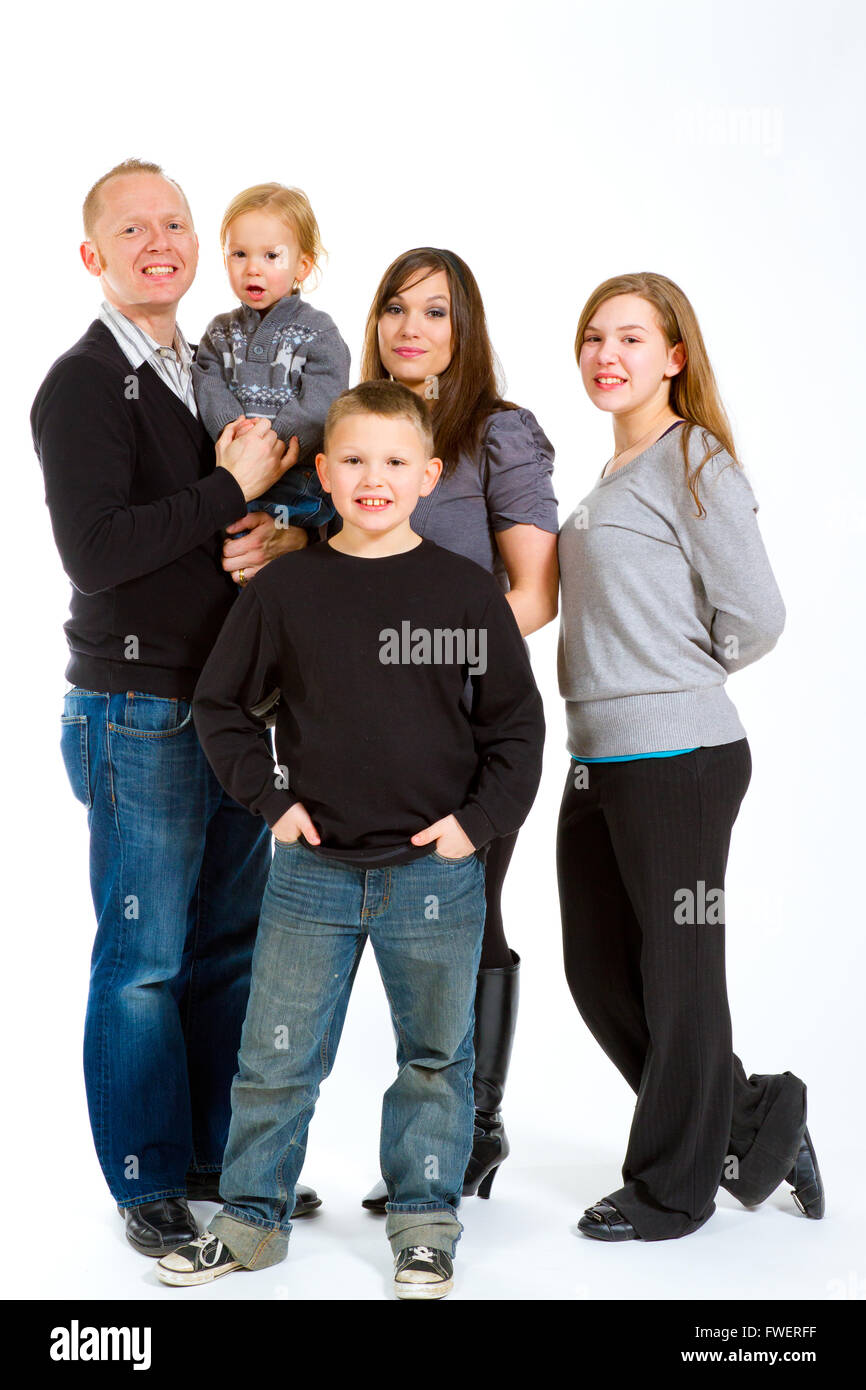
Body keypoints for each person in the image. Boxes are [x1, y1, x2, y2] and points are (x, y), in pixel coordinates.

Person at [156, 381, 546, 1297]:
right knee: (276, 1056)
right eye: (356, 461)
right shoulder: (289, 588)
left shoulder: (464, 594)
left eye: (396, 462)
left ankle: (423, 1222)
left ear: (428, 475)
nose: (375, 478)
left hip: (434, 875)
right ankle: (251, 1222)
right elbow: (222, 707)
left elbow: (517, 732)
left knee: (436, 1059)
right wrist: (271, 803)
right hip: (311, 875)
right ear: (324, 474)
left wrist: (475, 828)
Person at [31, 158, 320, 1259]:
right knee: (145, 957)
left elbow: (223, 530)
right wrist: (228, 491)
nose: (161, 242)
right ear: (93, 256)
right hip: (136, 708)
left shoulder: (204, 373)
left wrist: (267, 531)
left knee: (228, 945)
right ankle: (148, 1181)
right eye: (131, 228)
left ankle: (210, 1161)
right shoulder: (81, 381)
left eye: (177, 223)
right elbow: (96, 553)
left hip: (230, 707)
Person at [556, 271, 824, 1241]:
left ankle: (672, 1192)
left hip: (681, 755)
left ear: (673, 356)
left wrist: (676, 674)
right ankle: (753, 1118)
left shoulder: (693, 458)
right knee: (596, 971)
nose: (604, 354)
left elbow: (757, 614)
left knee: (676, 974)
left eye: (629, 337)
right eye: (592, 337)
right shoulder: (608, 478)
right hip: (596, 757)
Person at [357, 247, 559, 1213]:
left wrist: (423, 653)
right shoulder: (354, 424)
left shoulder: (499, 434)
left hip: (476, 723)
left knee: (468, 909)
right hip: (370, 732)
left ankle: (475, 1126)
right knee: (399, 924)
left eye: (435, 312)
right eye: (397, 309)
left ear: (464, 327)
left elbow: (534, 594)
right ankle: (436, 1139)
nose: (412, 329)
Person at [192, 182, 350, 531]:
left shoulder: (317, 331)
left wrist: (273, 443)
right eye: (239, 254)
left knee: (300, 525)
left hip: (296, 473)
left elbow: (324, 399)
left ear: (302, 266)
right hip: (233, 467)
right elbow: (208, 381)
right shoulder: (220, 331)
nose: (252, 268)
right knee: (227, 532)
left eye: (271, 255)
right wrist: (235, 434)